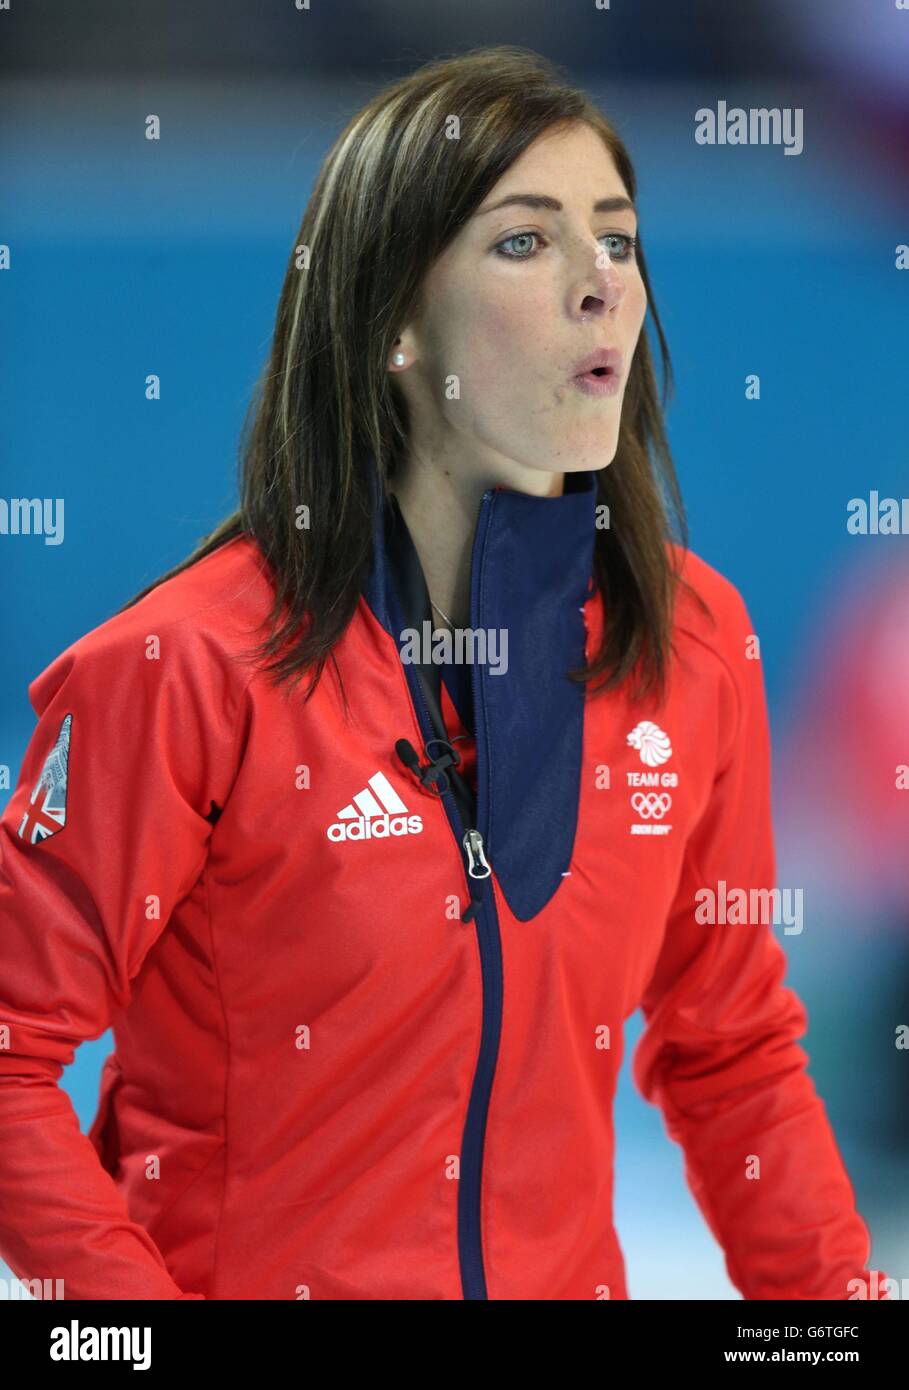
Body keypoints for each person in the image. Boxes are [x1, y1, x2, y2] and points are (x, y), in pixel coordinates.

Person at [0, 45, 887, 1301]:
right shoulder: (183, 668)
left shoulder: (691, 641)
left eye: (619, 240)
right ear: (394, 322)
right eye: (526, 242)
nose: (602, 287)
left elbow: (731, 1048)